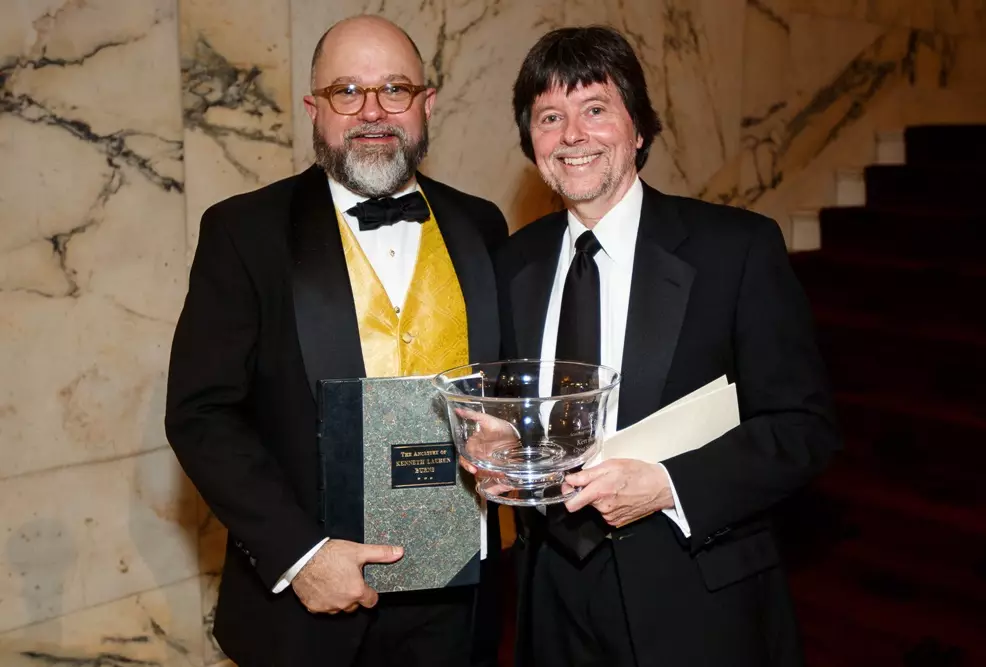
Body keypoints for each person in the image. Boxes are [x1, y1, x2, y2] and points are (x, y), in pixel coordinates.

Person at [165, 15, 507, 667]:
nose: (372, 111)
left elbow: (508, 382)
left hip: (460, 605)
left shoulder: (482, 224)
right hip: (310, 607)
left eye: (395, 89)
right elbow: (200, 412)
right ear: (314, 109)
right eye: (347, 91)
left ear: (426, 104)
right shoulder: (245, 231)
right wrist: (301, 554)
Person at [495, 26, 841, 667]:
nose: (572, 134)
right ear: (532, 144)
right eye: (550, 116)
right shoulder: (512, 263)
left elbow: (804, 429)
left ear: (639, 129)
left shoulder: (735, 250)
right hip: (550, 602)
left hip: (696, 596)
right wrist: (498, 442)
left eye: (595, 109)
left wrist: (667, 485)